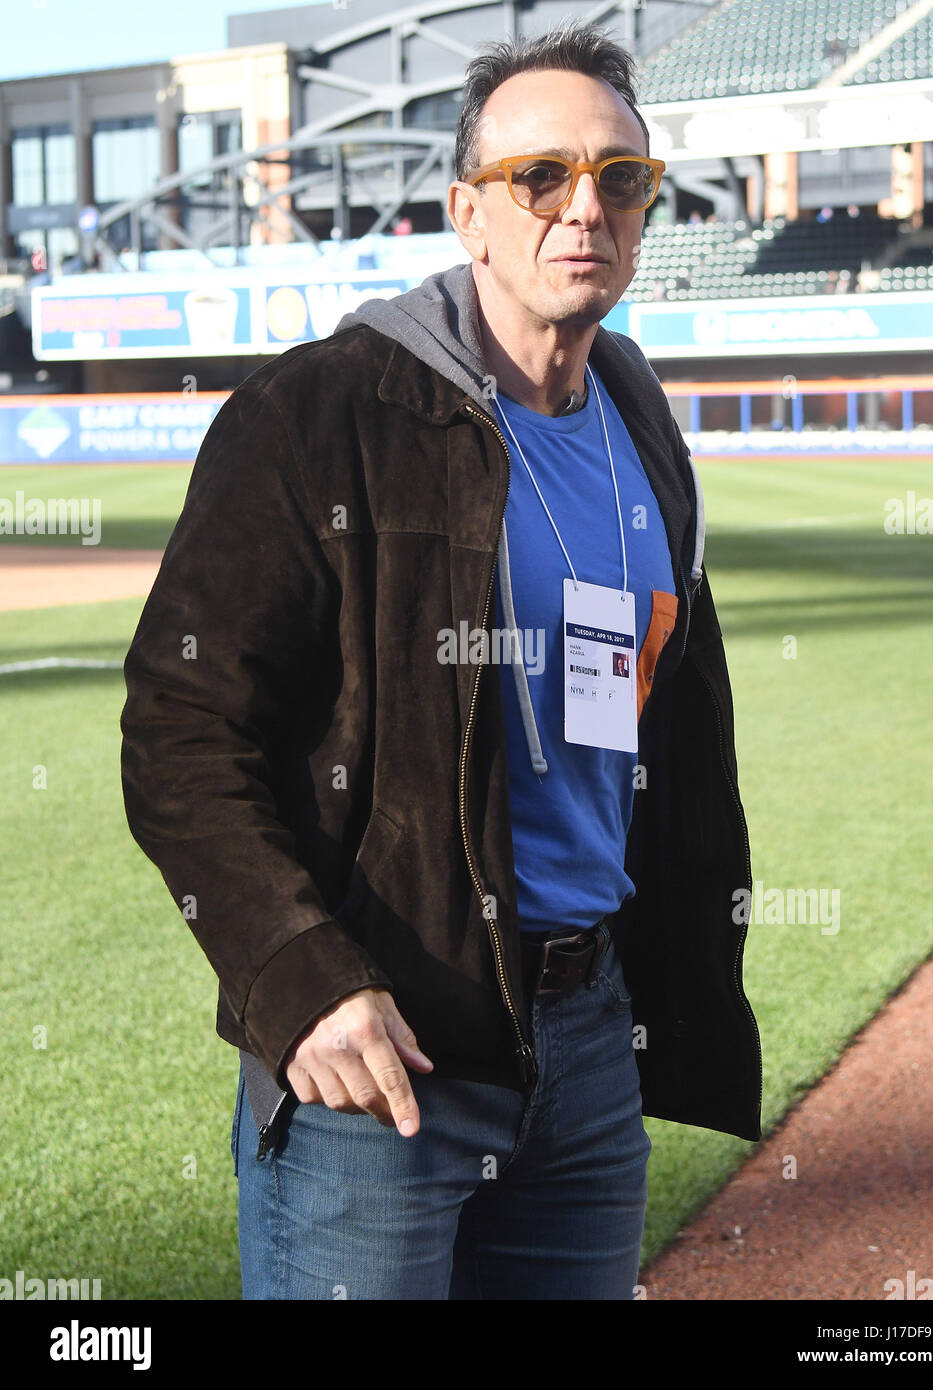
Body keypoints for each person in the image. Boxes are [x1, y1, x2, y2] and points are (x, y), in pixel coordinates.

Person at [120, 20, 762, 1302]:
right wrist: (301, 982)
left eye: (619, 179)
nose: (584, 207)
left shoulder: (641, 419)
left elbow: (661, 713)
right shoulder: (320, 414)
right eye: (542, 176)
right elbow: (181, 730)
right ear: (469, 211)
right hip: (385, 1058)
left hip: (583, 1044)